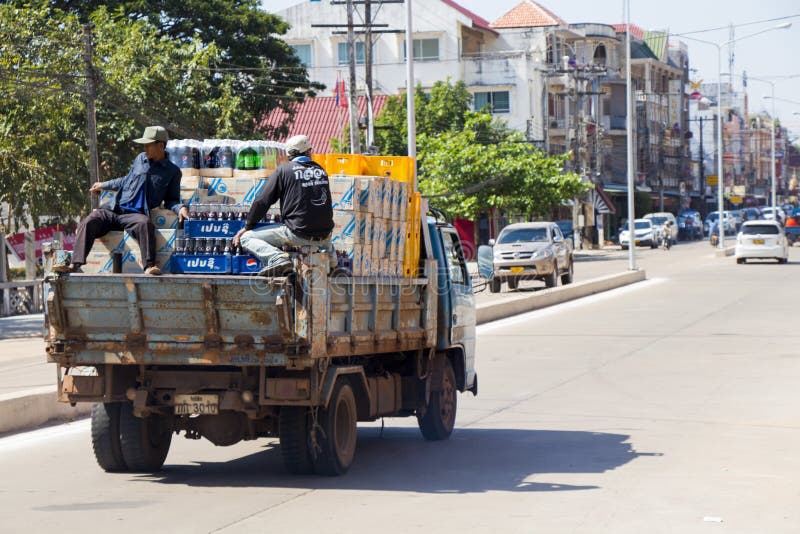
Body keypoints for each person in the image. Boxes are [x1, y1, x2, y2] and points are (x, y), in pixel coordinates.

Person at [68, 126, 189, 275]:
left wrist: (181, 208)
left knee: (145, 224)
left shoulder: (173, 172)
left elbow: (171, 199)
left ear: (160, 146)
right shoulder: (140, 159)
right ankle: (75, 263)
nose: (145, 148)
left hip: (135, 216)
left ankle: (149, 266)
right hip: (114, 209)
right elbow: (126, 180)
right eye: (144, 145)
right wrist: (104, 185)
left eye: (148, 145)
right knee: (90, 220)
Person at [232, 135, 334, 277]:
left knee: (247, 238)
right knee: (318, 233)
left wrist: (248, 226)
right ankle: (333, 260)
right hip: (325, 234)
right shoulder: (321, 170)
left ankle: (277, 258)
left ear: (289, 155)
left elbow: (262, 201)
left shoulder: (284, 171)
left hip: (298, 233)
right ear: (308, 152)